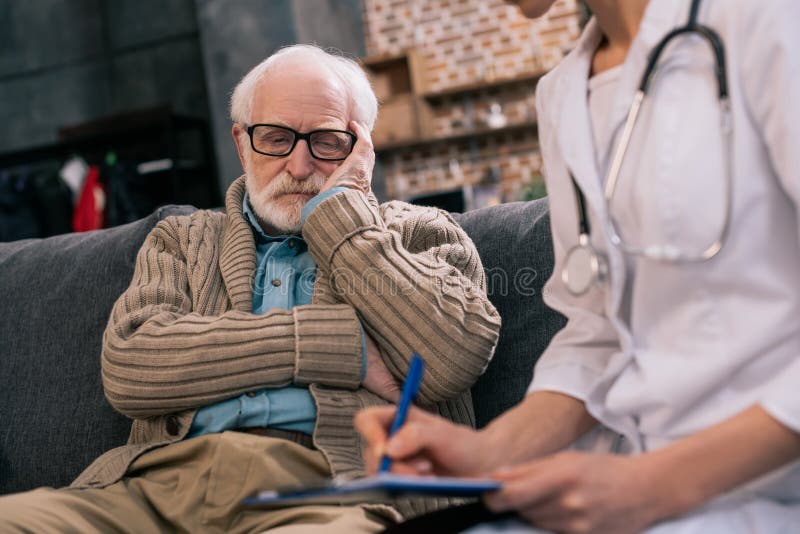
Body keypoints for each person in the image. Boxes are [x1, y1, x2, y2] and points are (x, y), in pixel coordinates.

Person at [0, 44, 501, 533]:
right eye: (276, 138)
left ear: (361, 149)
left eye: (326, 141)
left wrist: (341, 220)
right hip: (156, 491)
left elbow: (449, 357)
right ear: (241, 144)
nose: (300, 166)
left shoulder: (419, 233)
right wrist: (340, 346)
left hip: (332, 492)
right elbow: (132, 365)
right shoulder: (181, 239)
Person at [356, 0, 800, 532]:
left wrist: (653, 485)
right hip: (634, 478)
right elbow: (595, 332)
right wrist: (486, 452)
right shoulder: (563, 92)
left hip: (767, 486)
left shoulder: (768, 20)